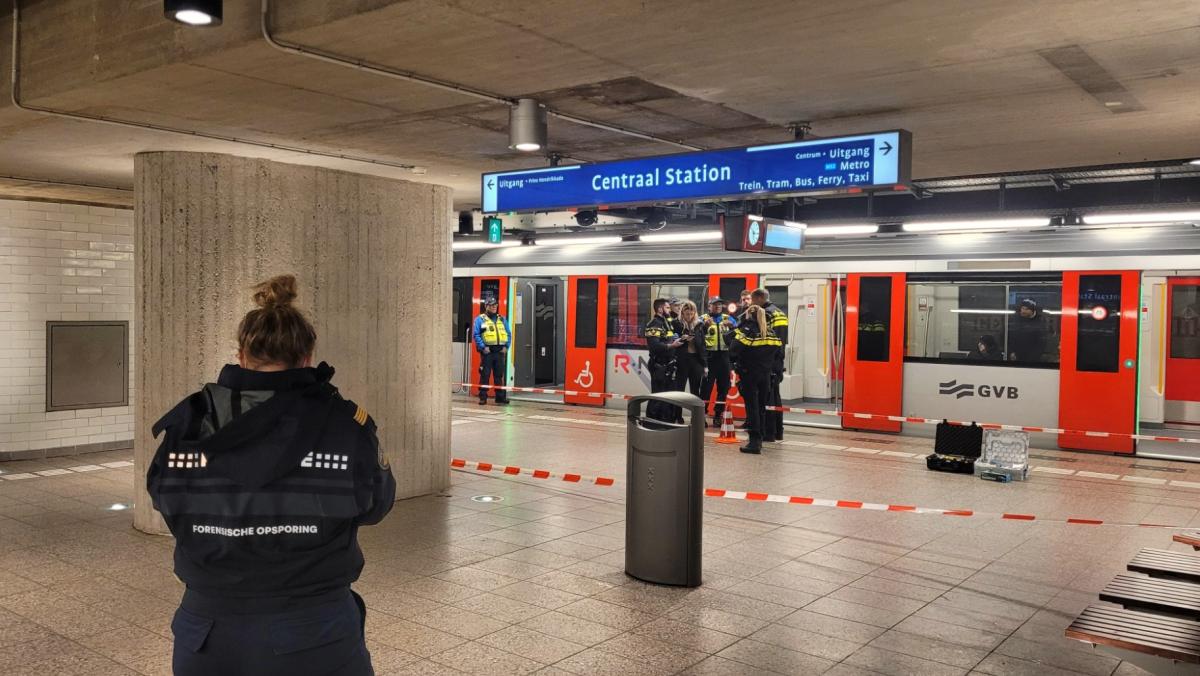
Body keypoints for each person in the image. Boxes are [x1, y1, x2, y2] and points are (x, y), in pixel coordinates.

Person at [147, 274, 395, 676]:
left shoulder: (188, 424)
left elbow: (165, 500)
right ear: (308, 356)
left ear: (242, 354)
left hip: (206, 634)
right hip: (317, 633)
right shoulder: (345, 424)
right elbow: (376, 506)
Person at [730, 304, 781, 454]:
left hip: (749, 374)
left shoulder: (747, 332)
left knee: (751, 408)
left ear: (749, 316)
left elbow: (733, 351)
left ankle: (754, 443)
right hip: (766, 375)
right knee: (761, 408)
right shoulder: (771, 333)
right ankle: (760, 438)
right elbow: (778, 354)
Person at [752, 288, 789, 442]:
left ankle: (768, 433)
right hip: (778, 360)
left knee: (767, 399)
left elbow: (764, 338)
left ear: (760, 298)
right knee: (776, 398)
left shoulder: (766, 313)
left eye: (754, 301)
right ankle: (778, 431)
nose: (753, 304)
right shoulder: (780, 313)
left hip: (768, 361)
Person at [645, 297, 683, 422]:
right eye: (667, 307)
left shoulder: (667, 322)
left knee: (668, 395)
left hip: (669, 365)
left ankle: (667, 420)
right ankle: (653, 421)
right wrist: (672, 345)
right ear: (660, 309)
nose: (669, 309)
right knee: (658, 395)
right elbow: (654, 346)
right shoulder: (654, 324)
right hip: (659, 365)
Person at [700, 297, 737, 427]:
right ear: (709, 306)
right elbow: (697, 336)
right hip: (709, 358)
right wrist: (704, 327)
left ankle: (717, 415)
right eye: (715, 305)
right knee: (706, 389)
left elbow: (738, 333)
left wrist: (732, 327)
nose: (718, 307)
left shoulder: (729, 318)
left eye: (720, 304)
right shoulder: (702, 318)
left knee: (723, 388)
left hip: (725, 358)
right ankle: (702, 416)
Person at [473, 297, 510, 405]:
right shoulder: (480, 319)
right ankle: (483, 397)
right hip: (487, 352)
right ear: (486, 306)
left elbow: (508, 334)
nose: (494, 307)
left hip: (500, 351)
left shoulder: (502, 319)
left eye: (495, 305)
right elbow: (476, 334)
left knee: (499, 376)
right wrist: (483, 347)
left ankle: (500, 397)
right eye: (491, 305)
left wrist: (506, 347)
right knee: (485, 374)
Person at [674, 300, 707, 401]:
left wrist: (705, 365)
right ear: (682, 313)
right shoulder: (676, 323)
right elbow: (671, 340)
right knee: (679, 389)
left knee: (695, 390)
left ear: (695, 313)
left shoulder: (699, 325)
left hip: (696, 360)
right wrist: (682, 338)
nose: (689, 316)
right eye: (687, 314)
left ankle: (695, 415)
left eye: (691, 314)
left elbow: (702, 346)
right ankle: (677, 415)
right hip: (681, 360)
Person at [1008, 298, 1047, 363]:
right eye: (1022, 308)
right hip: (1014, 359)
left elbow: (1041, 344)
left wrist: (1031, 359)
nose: (1023, 311)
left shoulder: (1040, 324)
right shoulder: (1014, 320)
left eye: (1026, 309)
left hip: (1032, 361)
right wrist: (1010, 352)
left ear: (1033, 311)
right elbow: (1007, 337)